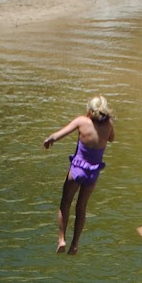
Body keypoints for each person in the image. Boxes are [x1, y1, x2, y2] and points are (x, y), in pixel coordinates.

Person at [43, 95, 115, 254]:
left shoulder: (82, 121)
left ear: (89, 109)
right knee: (81, 207)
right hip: (93, 173)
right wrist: (108, 124)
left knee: (65, 202)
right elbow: (112, 139)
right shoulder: (109, 124)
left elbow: (60, 134)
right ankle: (75, 244)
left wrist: (50, 139)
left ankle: (62, 239)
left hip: (77, 170)